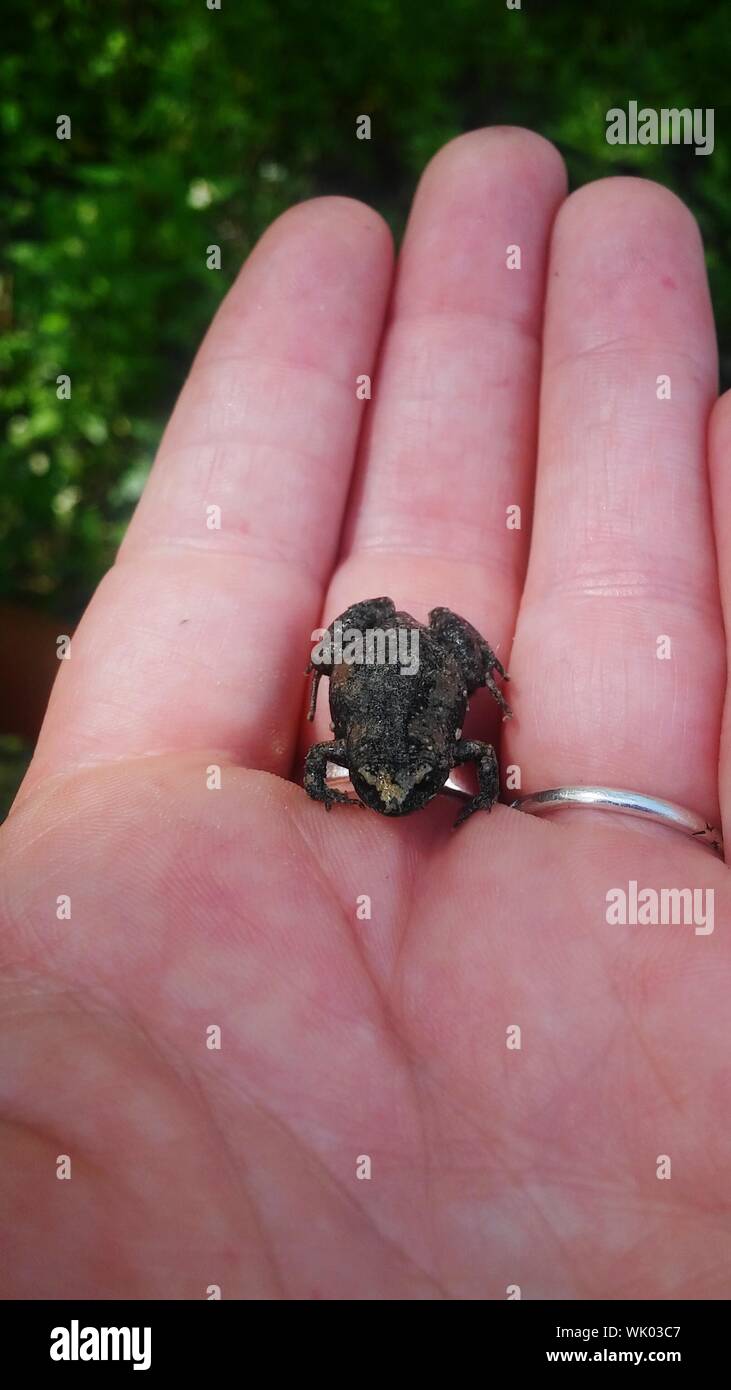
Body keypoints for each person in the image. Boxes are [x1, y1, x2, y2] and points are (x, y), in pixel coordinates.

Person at [2, 127, 729, 1299]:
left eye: (395, 792)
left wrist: (470, 728)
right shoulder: (368, 768)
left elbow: (435, 768)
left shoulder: (394, 762)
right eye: (380, 791)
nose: (388, 801)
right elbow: (364, 763)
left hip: (405, 658)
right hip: (388, 653)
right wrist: (372, 735)